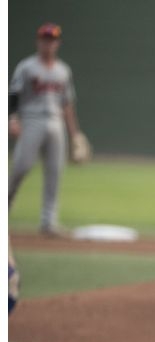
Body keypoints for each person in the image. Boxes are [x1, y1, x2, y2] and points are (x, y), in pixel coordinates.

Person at [8, 23, 87, 237]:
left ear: (57, 43)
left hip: (56, 123)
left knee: (54, 172)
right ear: (38, 41)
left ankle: (48, 222)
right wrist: (11, 119)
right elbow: (13, 94)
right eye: (45, 39)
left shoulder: (63, 70)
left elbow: (67, 104)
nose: (48, 43)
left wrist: (75, 134)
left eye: (52, 40)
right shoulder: (27, 67)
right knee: (21, 167)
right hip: (31, 120)